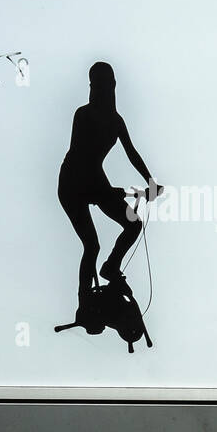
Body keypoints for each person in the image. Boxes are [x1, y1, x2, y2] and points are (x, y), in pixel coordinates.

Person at [58, 62, 161, 302]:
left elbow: (132, 153)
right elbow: (81, 161)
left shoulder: (116, 121)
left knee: (134, 224)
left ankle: (111, 267)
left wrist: (151, 183)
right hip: (72, 185)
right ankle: (84, 303)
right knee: (91, 245)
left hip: (95, 180)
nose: (102, 90)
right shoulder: (82, 115)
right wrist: (104, 192)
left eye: (105, 85)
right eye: (98, 85)